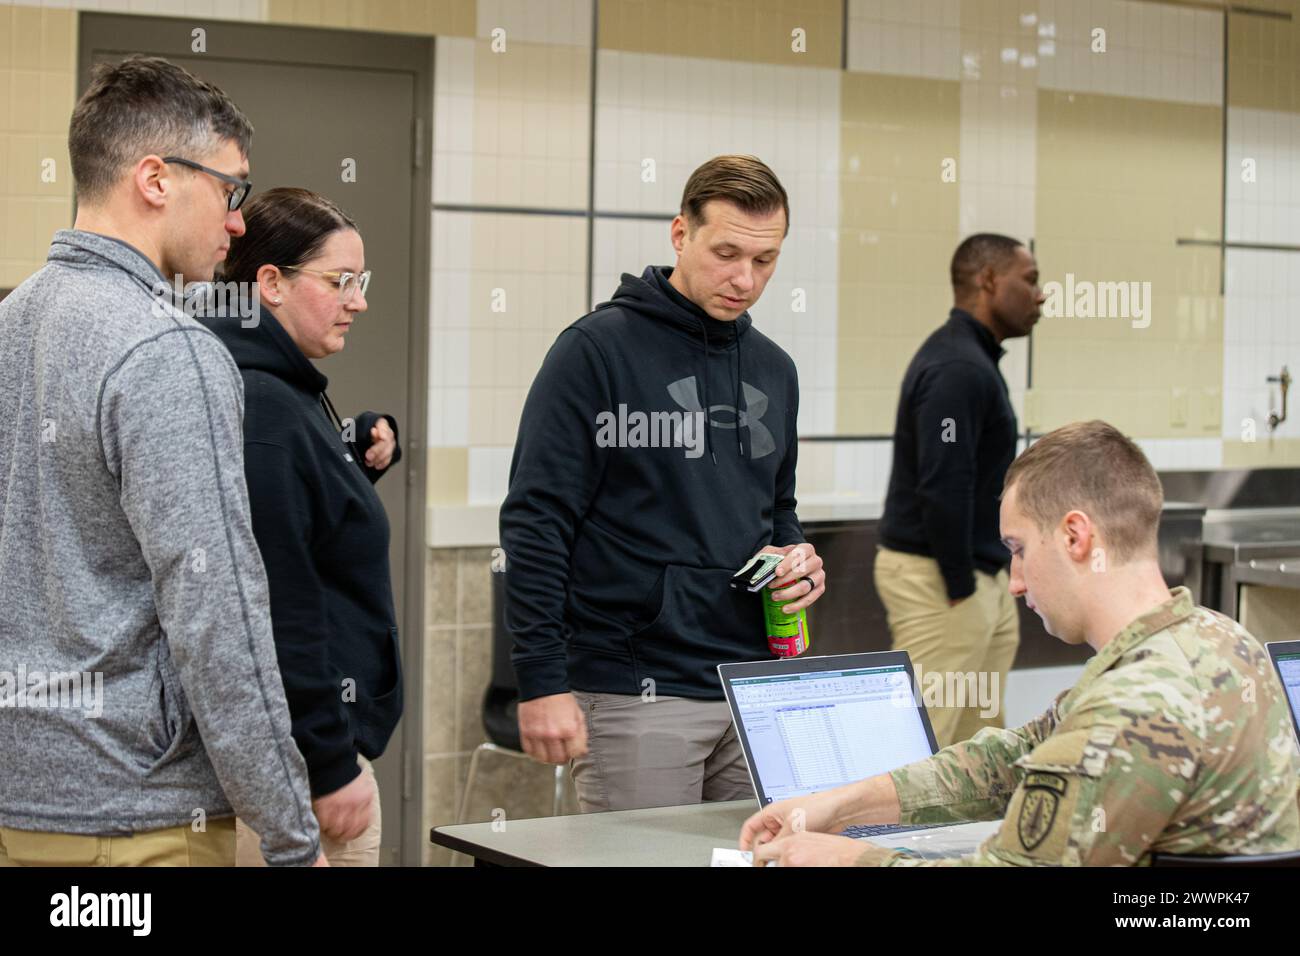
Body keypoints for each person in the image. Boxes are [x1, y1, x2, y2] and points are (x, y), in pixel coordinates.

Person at [0, 56, 322, 866]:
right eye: (231, 188)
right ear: (154, 178)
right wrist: (290, 833)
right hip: (135, 823)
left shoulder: (11, 325)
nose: (239, 221)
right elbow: (218, 610)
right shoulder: (169, 349)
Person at [740, 421, 1300, 866]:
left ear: (1076, 537)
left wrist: (851, 860)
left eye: (1020, 548)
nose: (1016, 581)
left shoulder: (1135, 702)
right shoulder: (1219, 639)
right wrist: (842, 804)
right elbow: (1012, 759)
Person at [500, 154, 826, 813]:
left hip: (751, 687)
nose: (745, 279)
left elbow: (778, 507)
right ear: (681, 234)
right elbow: (536, 521)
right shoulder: (594, 353)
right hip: (634, 689)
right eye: (727, 252)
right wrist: (540, 681)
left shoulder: (775, 369)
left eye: (765, 261)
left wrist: (796, 558)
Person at [203, 187, 404, 867]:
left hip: (296, 749)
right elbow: (279, 598)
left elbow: (300, 521)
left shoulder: (284, 387)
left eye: (361, 280)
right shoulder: (263, 403)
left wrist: (353, 454)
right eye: (339, 281)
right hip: (294, 759)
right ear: (270, 283)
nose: (359, 300)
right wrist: (326, 762)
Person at [875, 234, 1044, 747]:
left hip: (974, 576)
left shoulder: (974, 359)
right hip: (942, 580)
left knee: (976, 746)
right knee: (919, 743)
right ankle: (876, 832)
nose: (1041, 295)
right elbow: (943, 486)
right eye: (1031, 280)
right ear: (988, 281)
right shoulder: (958, 367)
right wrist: (959, 586)